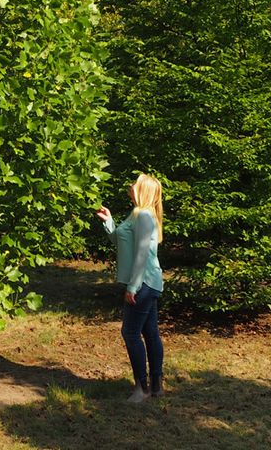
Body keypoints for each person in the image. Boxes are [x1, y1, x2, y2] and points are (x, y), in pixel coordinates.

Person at [96, 173, 164, 403]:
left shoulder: (144, 215)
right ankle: (155, 386)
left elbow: (142, 254)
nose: (131, 184)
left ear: (143, 190)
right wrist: (109, 221)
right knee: (149, 332)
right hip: (147, 282)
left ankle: (142, 389)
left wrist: (133, 287)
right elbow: (121, 242)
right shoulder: (136, 214)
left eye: (136, 182)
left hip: (144, 282)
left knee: (130, 333)